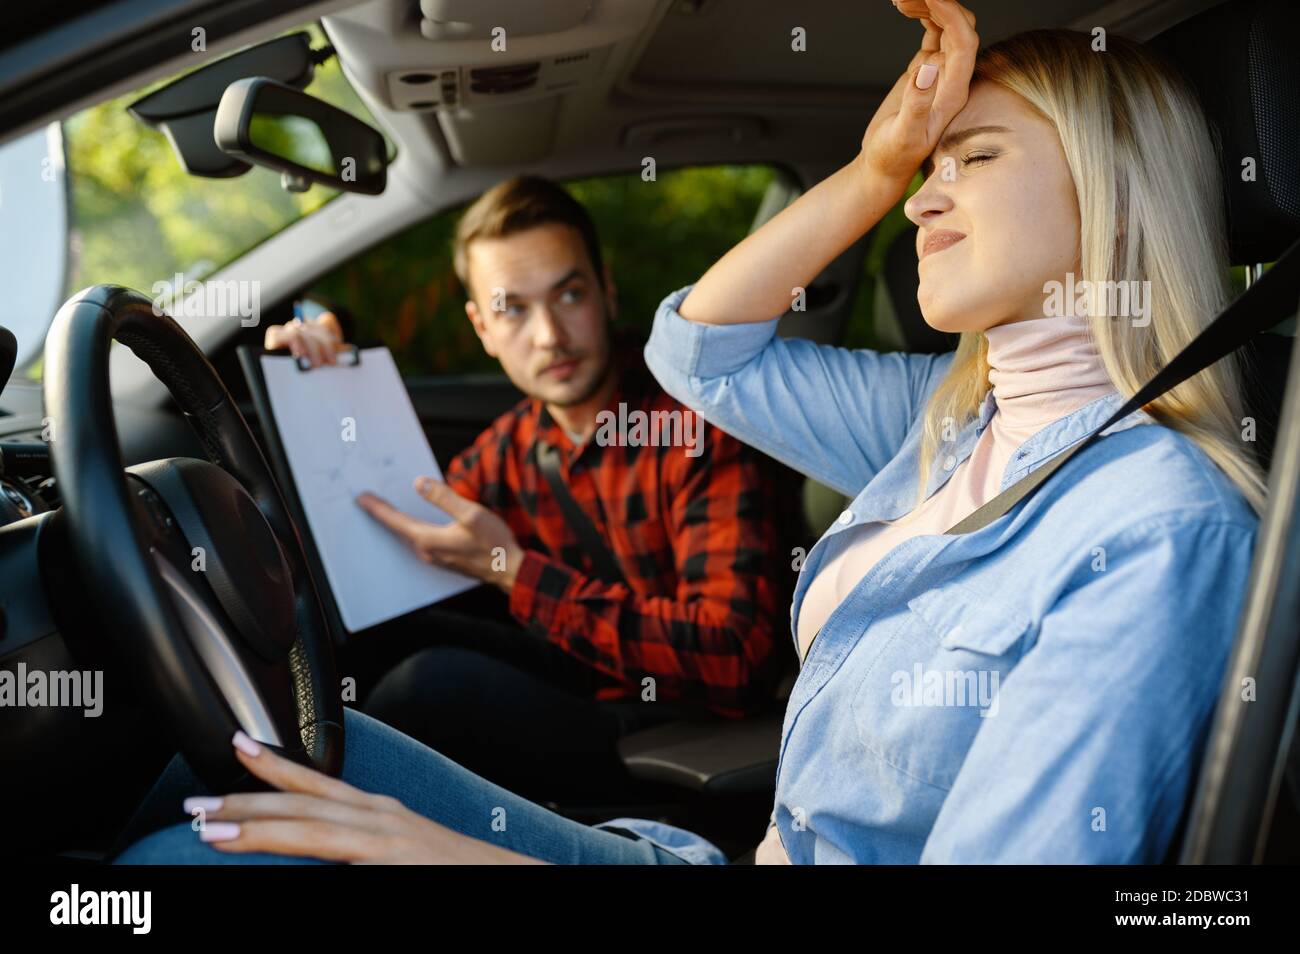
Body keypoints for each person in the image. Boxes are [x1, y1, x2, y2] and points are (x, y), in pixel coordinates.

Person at [115, 0, 1263, 865]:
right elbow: (696, 347)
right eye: (922, 167)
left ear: (1108, 185)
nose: (917, 198)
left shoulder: (1157, 530)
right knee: (274, 748)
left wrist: (467, 858)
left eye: (972, 158)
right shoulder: (950, 413)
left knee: (215, 842)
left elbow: (693, 419)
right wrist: (871, 166)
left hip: (685, 778)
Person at [258, 176, 792, 804]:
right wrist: (321, 390)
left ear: (606, 292)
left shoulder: (695, 427)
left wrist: (512, 570)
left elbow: (733, 659)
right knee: (384, 643)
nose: (548, 335)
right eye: (513, 308)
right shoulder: (513, 443)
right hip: (582, 679)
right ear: (481, 326)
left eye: (568, 295)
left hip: (682, 731)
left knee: (426, 688)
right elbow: (397, 530)